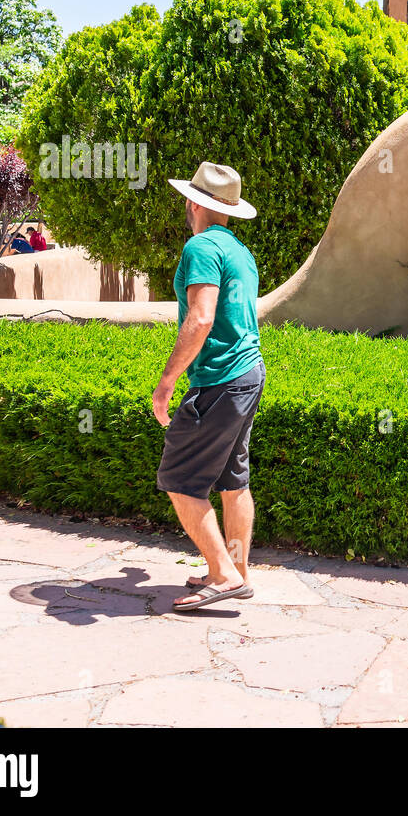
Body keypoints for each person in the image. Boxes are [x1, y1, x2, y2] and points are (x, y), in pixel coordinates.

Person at [152, 162, 265, 612]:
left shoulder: (200, 247)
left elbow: (201, 317)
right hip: (248, 372)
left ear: (193, 202)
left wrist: (166, 383)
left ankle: (221, 575)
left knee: (180, 480)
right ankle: (237, 572)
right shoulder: (239, 250)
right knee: (233, 482)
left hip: (219, 379)